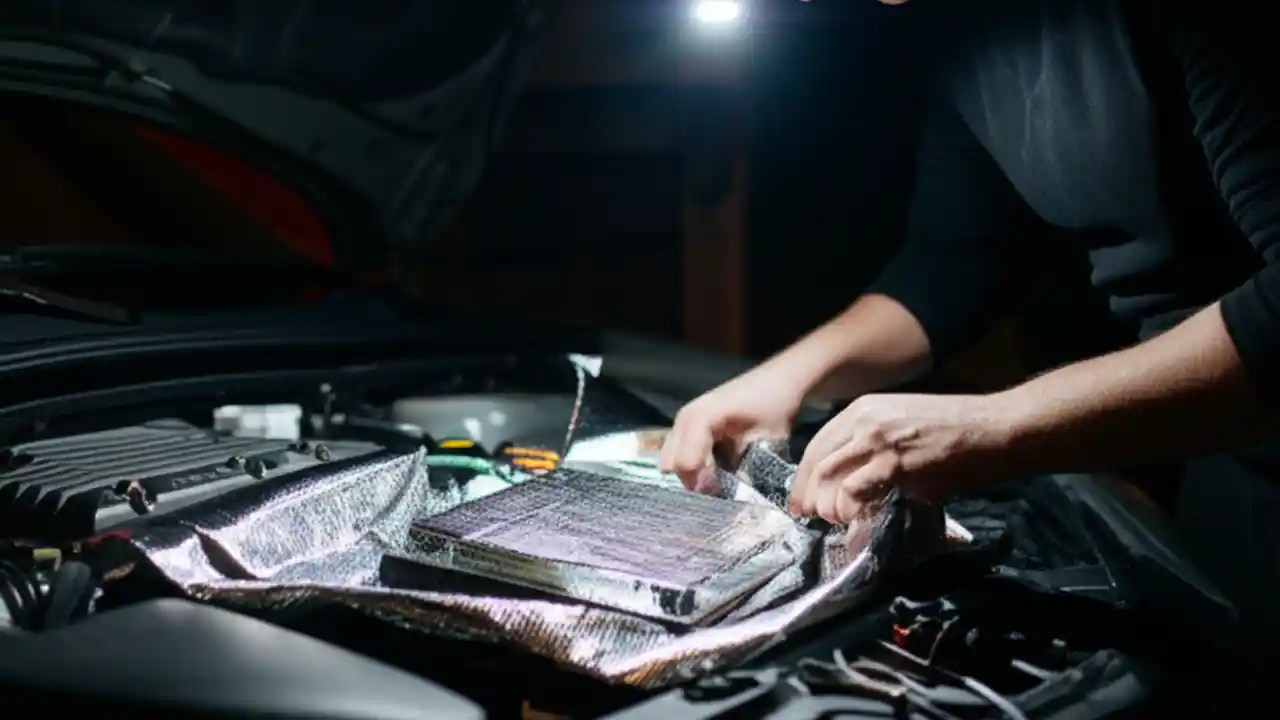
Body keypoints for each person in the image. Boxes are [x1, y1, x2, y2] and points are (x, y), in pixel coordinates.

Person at [660, 0, 1280, 668]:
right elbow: (954, 258)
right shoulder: (961, 26)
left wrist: (989, 429)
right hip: (1210, 457)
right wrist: (787, 377)